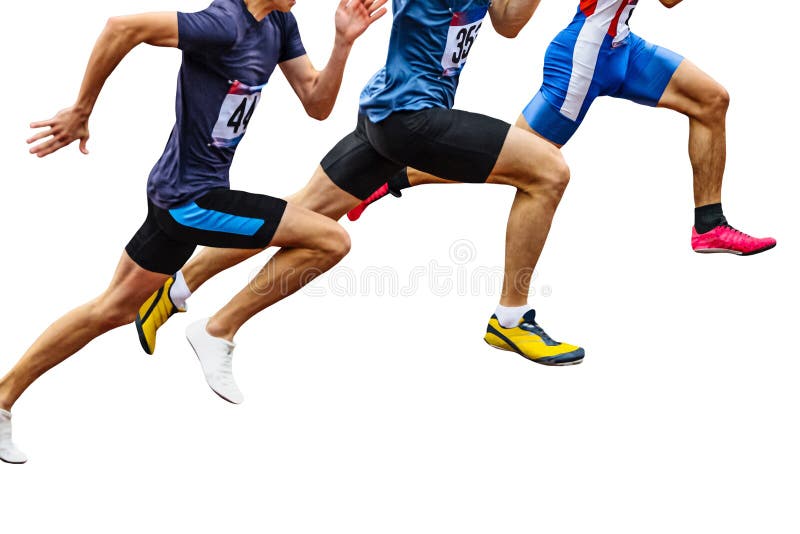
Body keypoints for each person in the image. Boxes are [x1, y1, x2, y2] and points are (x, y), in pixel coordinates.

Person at [136, 0, 585, 402]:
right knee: (549, 173)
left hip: (385, 114)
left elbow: (508, 23)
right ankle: (510, 321)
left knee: (304, 214)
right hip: (413, 118)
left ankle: (176, 290)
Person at [0, 0, 387, 464]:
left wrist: (343, 43)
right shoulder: (223, 23)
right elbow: (122, 26)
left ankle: (1, 400)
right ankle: (217, 330)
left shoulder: (280, 24)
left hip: (179, 196)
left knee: (113, 308)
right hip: (191, 203)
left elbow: (316, 104)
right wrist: (82, 108)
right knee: (331, 239)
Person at [348, 0, 777, 258]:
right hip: (583, 60)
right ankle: (395, 176)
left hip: (623, 48)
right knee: (511, 157)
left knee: (711, 100)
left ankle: (709, 225)